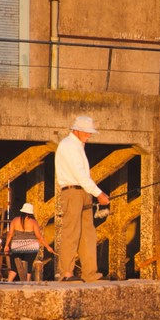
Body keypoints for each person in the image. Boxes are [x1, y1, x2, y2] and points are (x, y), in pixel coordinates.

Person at [54, 115, 109, 282]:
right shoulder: (68, 145)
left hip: (84, 192)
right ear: (76, 130)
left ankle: (90, 274)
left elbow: (84, 176)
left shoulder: (78, 146)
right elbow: (79, 175)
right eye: (86, 132)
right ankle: (66, 273)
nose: (89, 135)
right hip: (72, 192)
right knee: (71, 232)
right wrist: (99, 193)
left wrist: (92, 192)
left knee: (88, 234)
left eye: (90, 132)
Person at [3, 202, 54, 282]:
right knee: (28, 265)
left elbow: (10, 234)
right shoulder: (33, 222)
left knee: (14, 267)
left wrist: (6, 245)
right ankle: (26, 283)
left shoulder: (15, 220)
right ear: (30, 213)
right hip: (31, 247)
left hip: (17, 246)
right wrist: (48, 247)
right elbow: (39, 237)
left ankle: (9, 281)